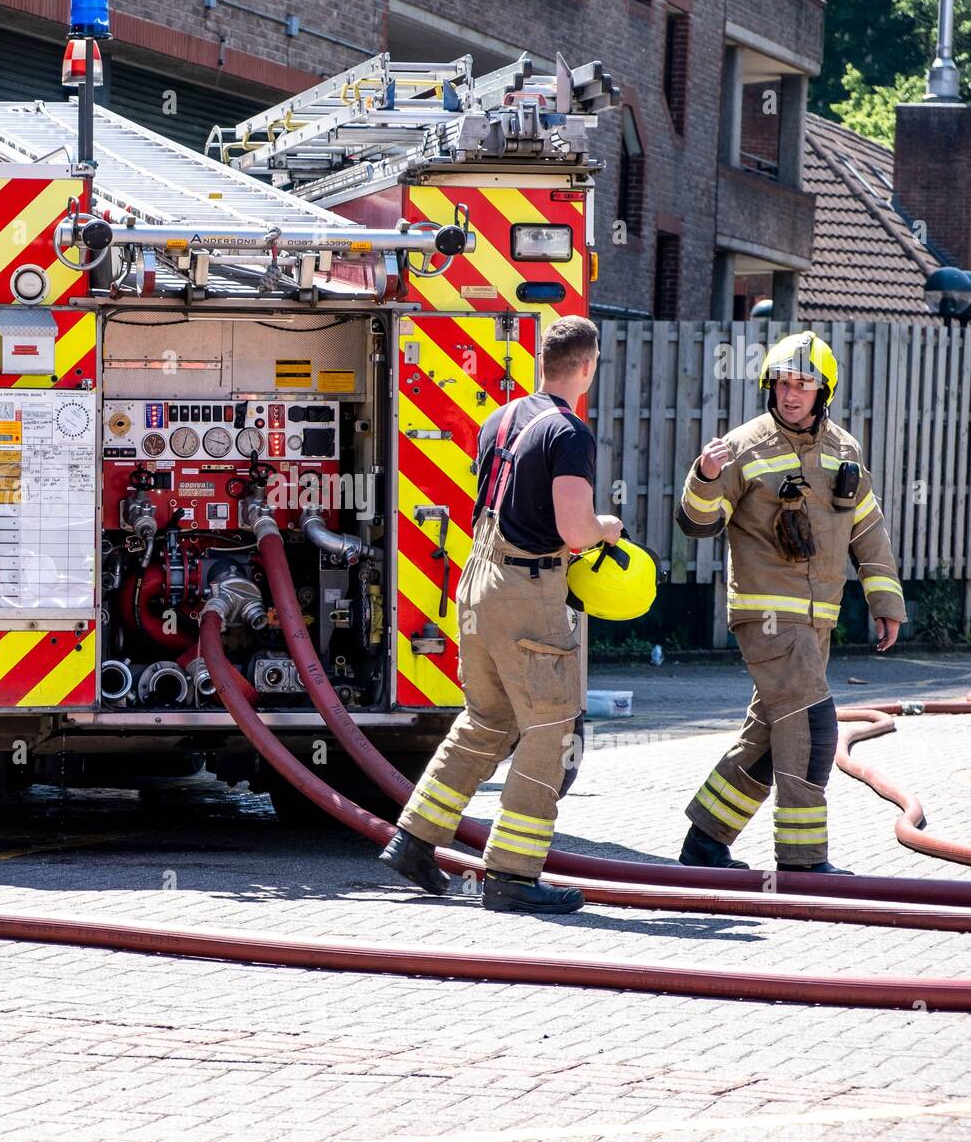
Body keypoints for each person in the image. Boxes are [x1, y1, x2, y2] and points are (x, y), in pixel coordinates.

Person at [379, 315, 620, 914]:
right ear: (586, 367)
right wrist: (607, 528)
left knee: (486, 721)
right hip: (528, 593)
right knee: (549, 728)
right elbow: (573, 530)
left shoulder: (501, 418)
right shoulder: (570, 433)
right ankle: (511, 877)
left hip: (477, 585)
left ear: (540, 360)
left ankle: (412, 840)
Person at [675, 330, 905, 874]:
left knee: (771, 737)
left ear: (823, 390)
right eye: (781, 383)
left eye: (802, 384)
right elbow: (696, 523)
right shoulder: (743, 447)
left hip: (815, 621)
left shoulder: (843, 449)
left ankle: (703, 845)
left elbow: (867, 529)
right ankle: (802, 860)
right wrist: (705, 477)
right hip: (767, 616)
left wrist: (885, 600)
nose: (790, 393)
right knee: (813, 724)